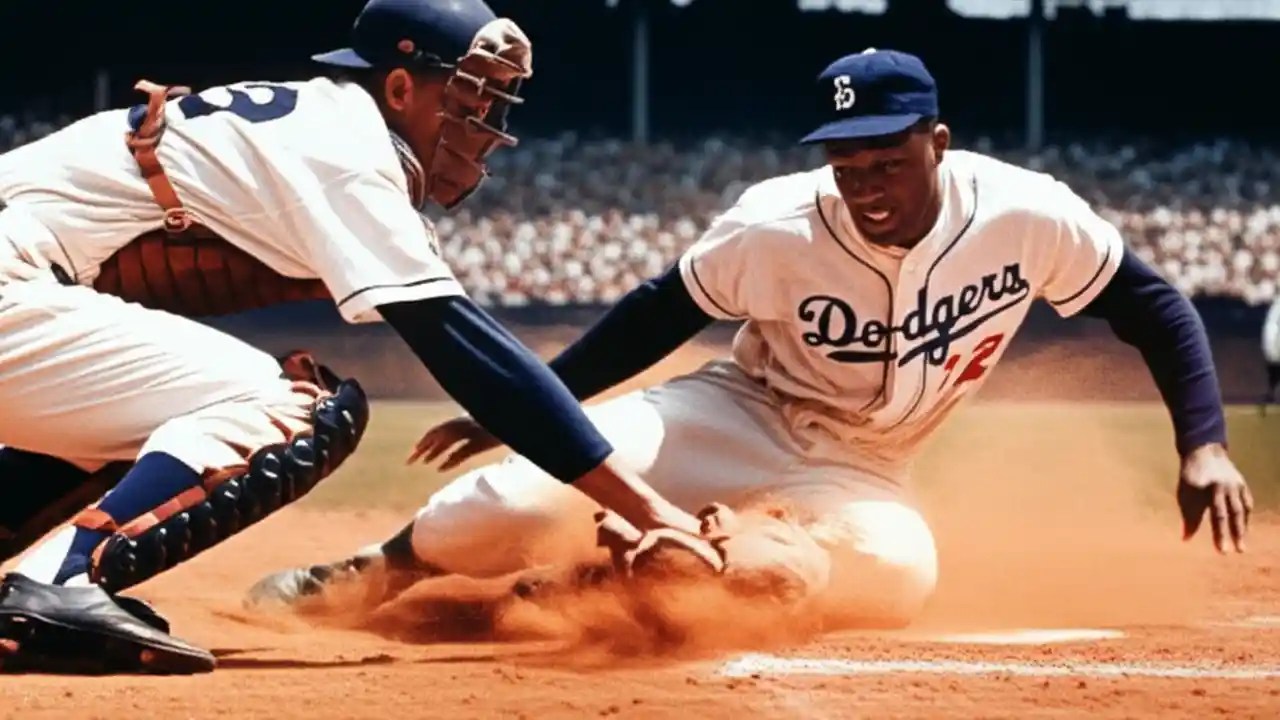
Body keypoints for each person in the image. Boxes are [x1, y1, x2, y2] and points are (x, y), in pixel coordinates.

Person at [248, 48, 1254, 629]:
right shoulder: (777, 219)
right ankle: (380, 569)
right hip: (731, 413)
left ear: (934, 144)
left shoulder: (1024, 213)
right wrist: (536, 405)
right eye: (844, 159)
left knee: (898, 577)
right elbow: (657, 312)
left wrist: (1201, 441)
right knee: (504, 496)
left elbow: (1151, 302)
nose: (860, 180)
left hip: (863, 469)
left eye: (884, 157)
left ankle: (614, 581)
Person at [0, 0, 713, 675]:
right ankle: (59, 580)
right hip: (14, 276)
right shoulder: (347, 148)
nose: (484, 120)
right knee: (296, 406)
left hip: (25, 276)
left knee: (143, 414)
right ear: (400, 85)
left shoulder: (304, 122)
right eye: (470, 96)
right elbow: (459, 344)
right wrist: (649, 509)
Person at [1260, 297, 1280, 415]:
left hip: (1274, 352)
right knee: (1274, 377)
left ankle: (1271, 393)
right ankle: (1271, 394)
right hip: (1274, 352)